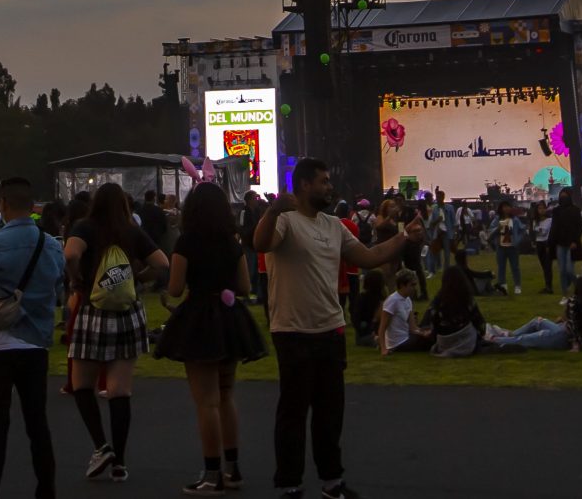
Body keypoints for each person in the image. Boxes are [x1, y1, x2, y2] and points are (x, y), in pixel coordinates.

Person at [254, 157, 421, 499]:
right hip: (293, 332)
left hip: (330, 330)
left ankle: (332, 482)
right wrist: (271, 212)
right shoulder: (285, 220)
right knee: (294, 413)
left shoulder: (334, 225)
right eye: (324, 181)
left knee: (330, 414)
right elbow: (259, 244)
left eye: (329, 182)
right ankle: (289, 483)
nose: (330, 187)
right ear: (304, 185)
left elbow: (369, 257)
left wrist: (405, 237)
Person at [155, 180, 263, 493]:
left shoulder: (186, 242)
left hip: (199, 320)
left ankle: (211, 473)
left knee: (207, 402)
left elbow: (176, 288)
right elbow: (245, 287)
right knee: (227, 396)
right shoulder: (232, 243)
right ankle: (233, 469)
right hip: (230, 319)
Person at [0, 177, 63, 499]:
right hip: (35, 342)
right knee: (38, 424)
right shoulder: (50, 244)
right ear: (33, 207)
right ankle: (46, 490)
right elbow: (57, 288)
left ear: (2, 205)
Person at [65, 181, 167, 481]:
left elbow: (70, 255)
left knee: (82, 384)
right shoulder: (131, 230)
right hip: (127, 313)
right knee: (120, 389)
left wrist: (77, 279)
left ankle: (101, 445)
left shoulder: (85, 227)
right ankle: (120, 462)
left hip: (92, 311)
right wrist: (138, 278)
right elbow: (162, 263)